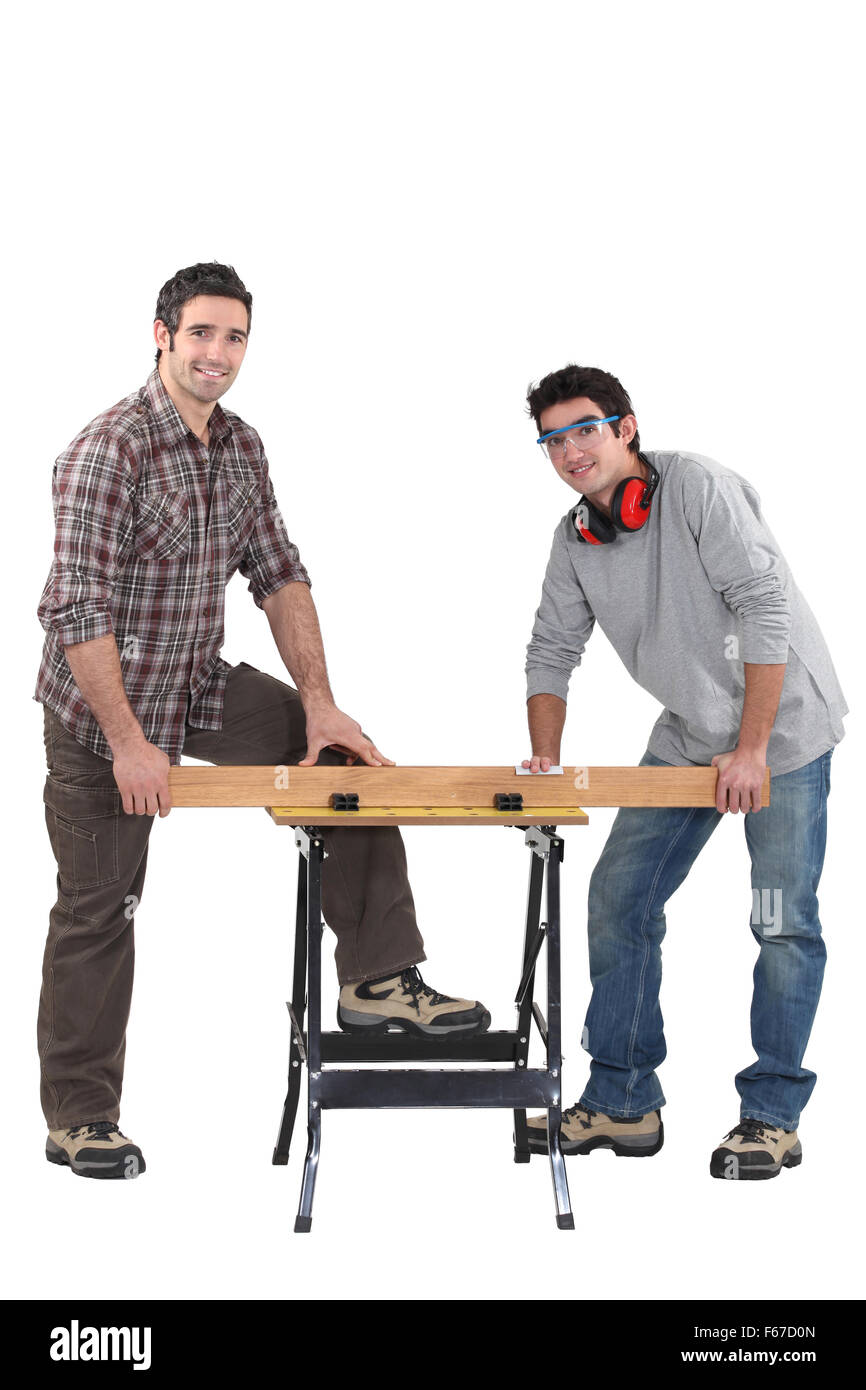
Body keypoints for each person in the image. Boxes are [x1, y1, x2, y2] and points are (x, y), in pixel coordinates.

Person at [34, 261, 489, 1180]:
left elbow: (277, 571)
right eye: (200, 333)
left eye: (234, 337)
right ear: (161, 334)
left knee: (345, 765)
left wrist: (319, 703)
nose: (218, 353)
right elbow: (76, 612)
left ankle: (375, 982)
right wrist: (130, 744)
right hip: (99, 715)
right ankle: (82, 1118)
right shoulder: (106, 451)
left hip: (195, 684)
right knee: (101, 908)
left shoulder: (240, 446)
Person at [521, 363, 846, 1180]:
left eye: (585, 429)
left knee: (779, 920)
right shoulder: (575, 539)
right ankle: (624, 1099)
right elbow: (552, 652)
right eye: (553, 439)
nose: (571, 451)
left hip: (784, 737)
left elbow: (763, 606)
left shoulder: (697, 487)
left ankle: (771, 1117)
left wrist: (752, 750)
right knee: (619, 898)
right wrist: (546, 765)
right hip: (689, 735)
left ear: (626, 428)